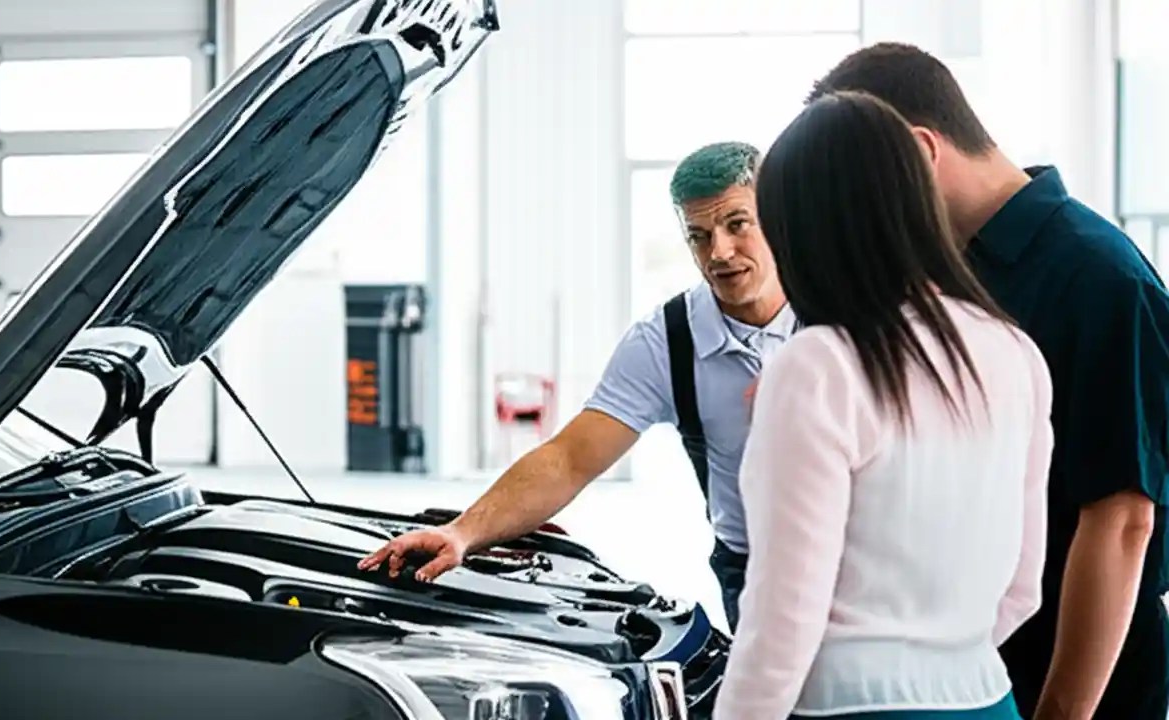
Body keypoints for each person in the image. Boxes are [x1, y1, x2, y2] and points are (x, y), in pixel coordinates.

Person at [809, 42, 1169, 720]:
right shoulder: (940, 270)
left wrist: (1061, 712)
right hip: (961, 666)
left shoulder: (1100, 278)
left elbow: (1122, 520)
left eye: (861, 188)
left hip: (1073, 674)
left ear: (918, 152)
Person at [358, 141, 797, 629]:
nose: (719, 252)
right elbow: (567, 460)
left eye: (738, 225)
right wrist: (462, 532)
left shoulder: (846, 308)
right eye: (698, 235)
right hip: (757, 572)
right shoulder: (667, 341)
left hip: (867, 556)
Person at [714, 89, 1053, 720]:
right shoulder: (1015, 353)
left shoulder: (820, 365)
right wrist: (942, 659)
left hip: (847, 708)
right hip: (987, 697)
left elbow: (783, 616)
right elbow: (1022, 588)